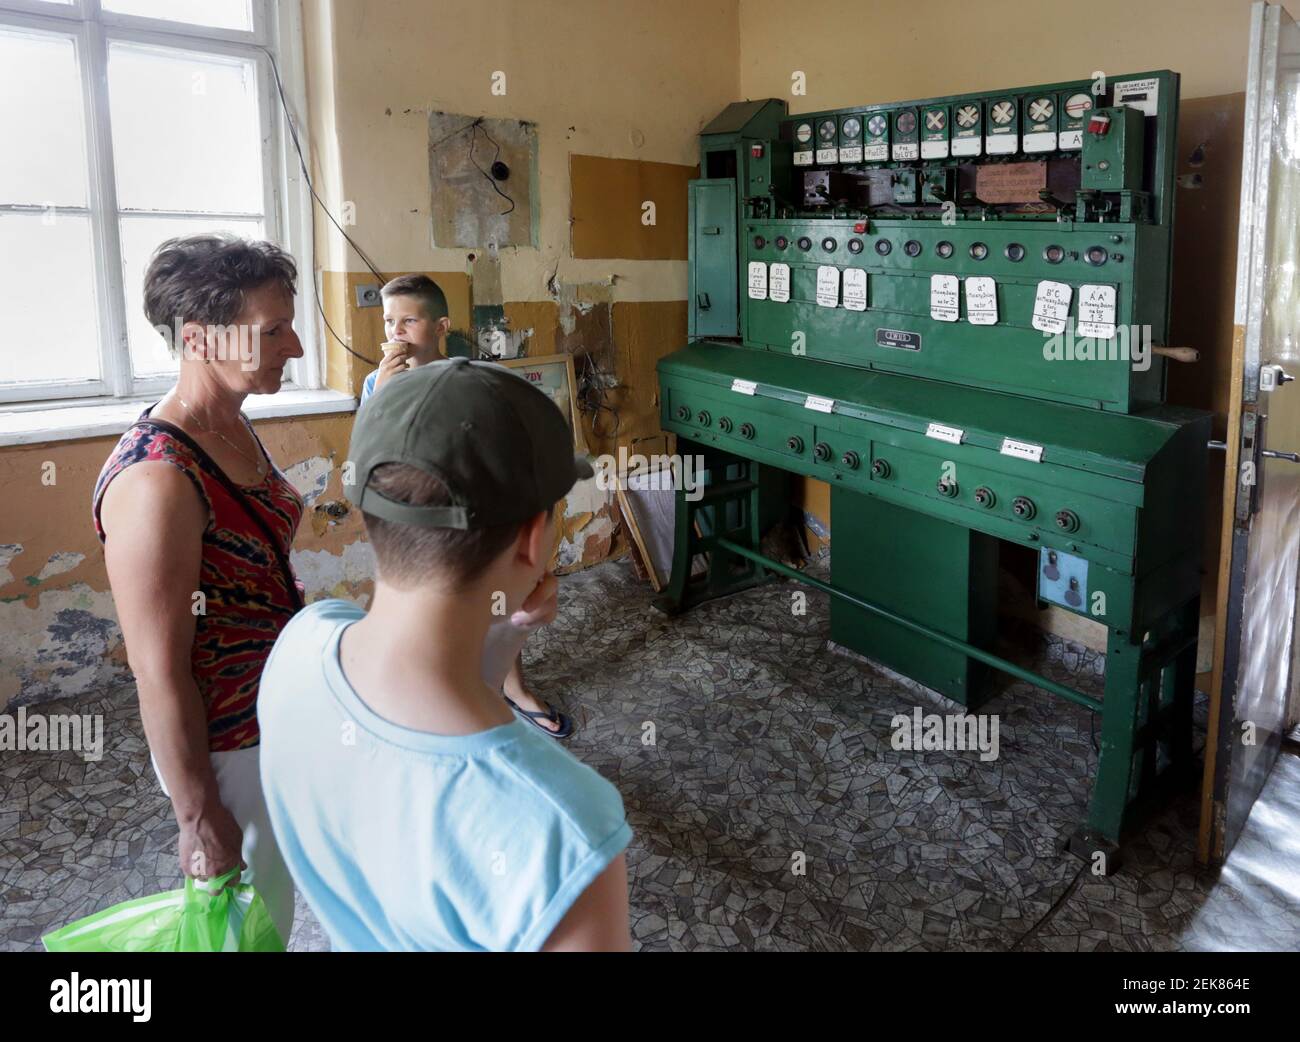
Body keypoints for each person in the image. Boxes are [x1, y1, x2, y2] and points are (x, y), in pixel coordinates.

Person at [258, 358, 632, 951]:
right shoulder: (568, 833)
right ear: (534, 537)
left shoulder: (300, 644)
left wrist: (508, 629)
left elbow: (441, 711)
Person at [92, 234, 305, 943]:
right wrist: (197, 813)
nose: (296, 347)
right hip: (226, 742)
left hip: (268, 719)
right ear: (199, 339)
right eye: (273, 330)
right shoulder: (156, 480)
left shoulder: (230, 423)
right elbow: (157, 667)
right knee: (252, 913)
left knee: (271, 901)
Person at [361, 273, 573, 738]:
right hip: (410, 523)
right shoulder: (377, 383)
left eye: (409, 321)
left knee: (496, 602)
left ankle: (512, 688)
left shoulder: (470, 380)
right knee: (423, 609)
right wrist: (383, 397)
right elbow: (368, 457)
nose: (395, 332)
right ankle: (429, 692)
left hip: (471, 515)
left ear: (441, 326)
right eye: (389, 321)